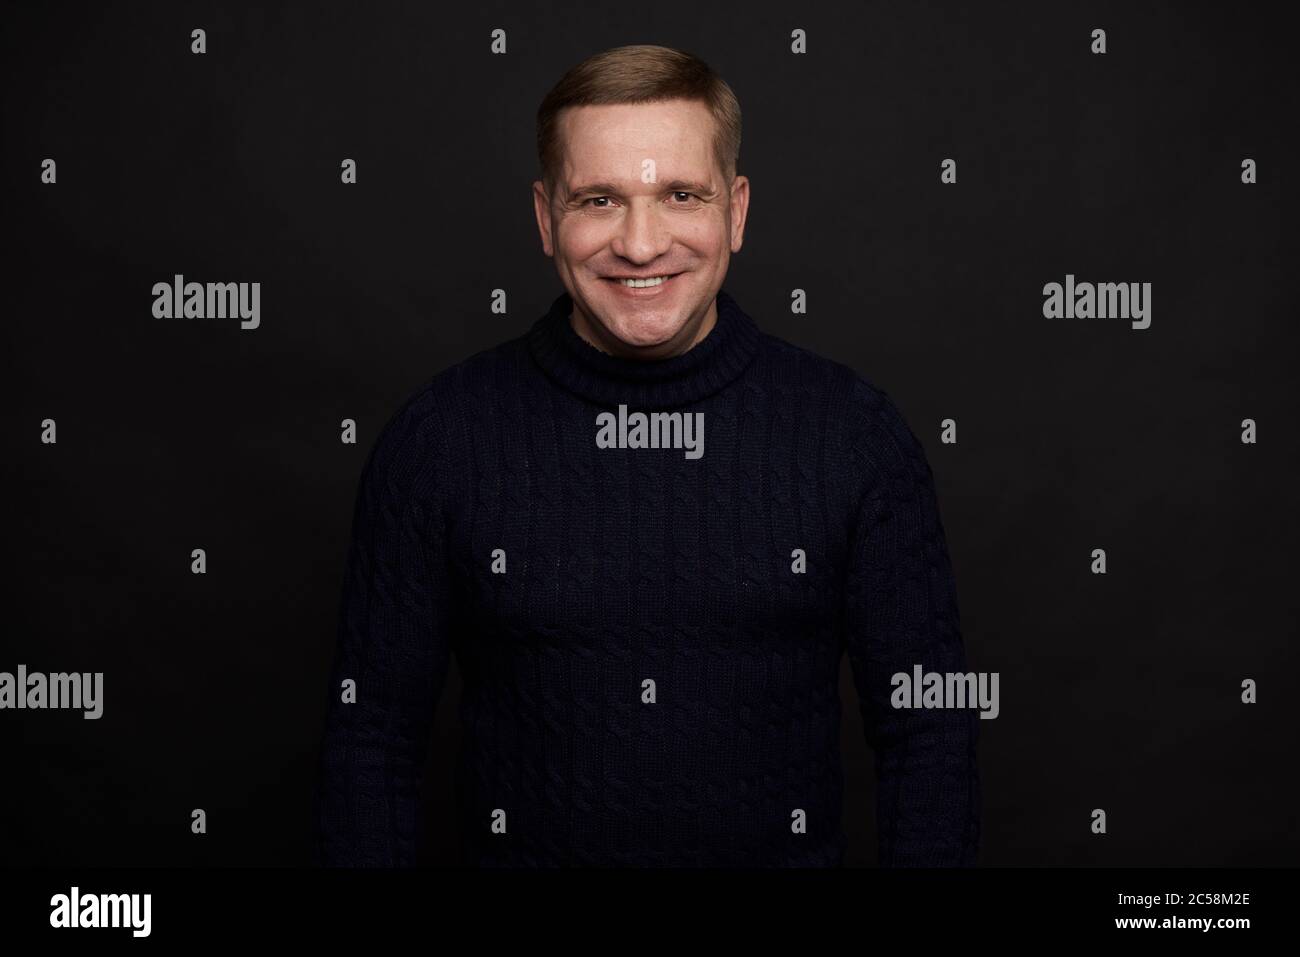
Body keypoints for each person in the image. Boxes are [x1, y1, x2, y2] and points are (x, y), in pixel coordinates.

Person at [313, 43, 980, 867]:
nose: (640, 243)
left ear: (735, 211)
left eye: (680, 196)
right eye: (599, 198)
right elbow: (370, 743)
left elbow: (930, 736)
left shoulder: (853, 435)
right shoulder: (439, 441)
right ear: (544, 216)